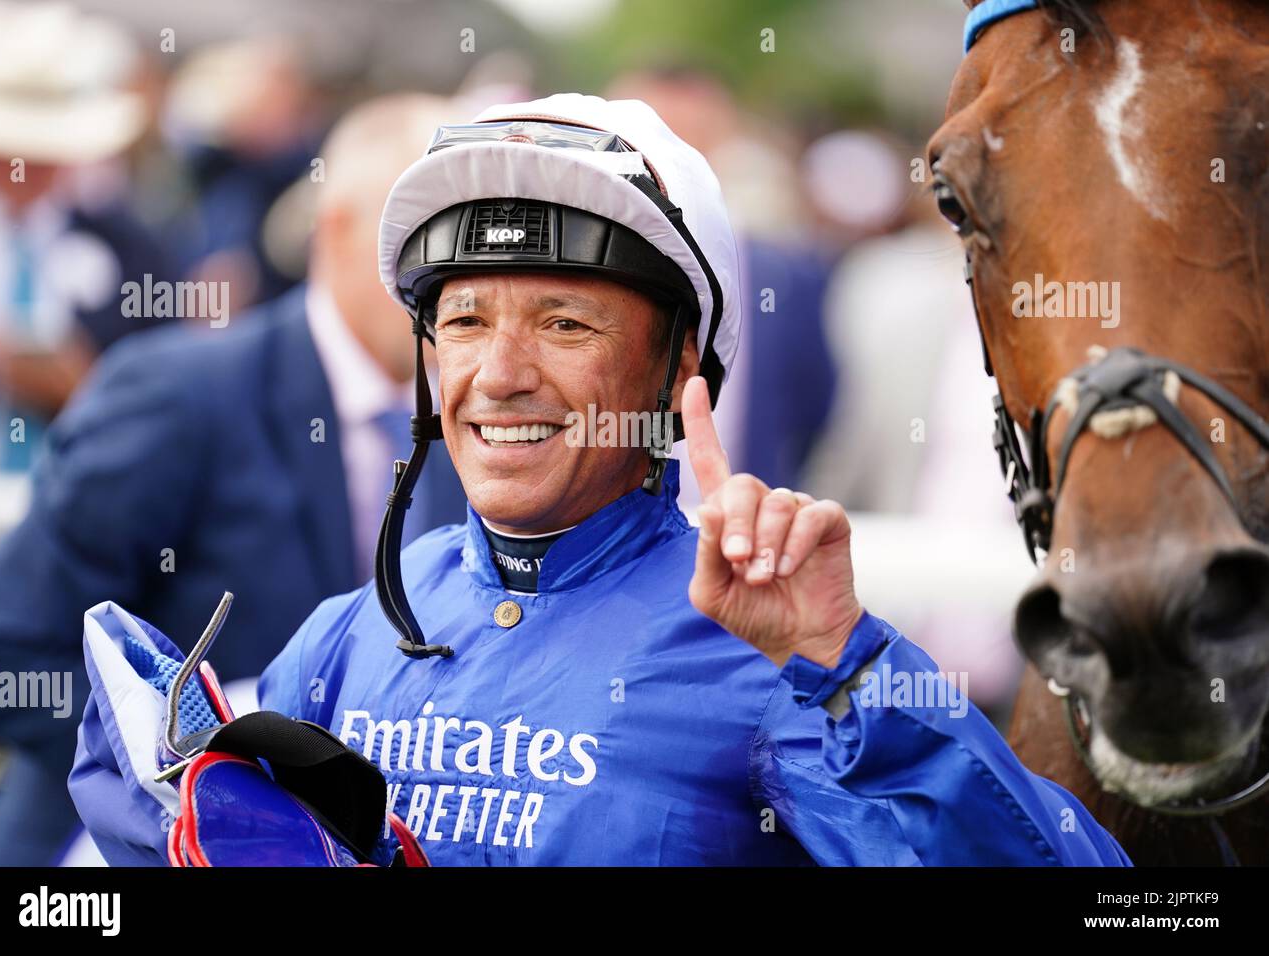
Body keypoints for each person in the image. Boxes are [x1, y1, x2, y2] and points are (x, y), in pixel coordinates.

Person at [70, 92, 1130, 866]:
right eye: (465, 320)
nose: (499, 375)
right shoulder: (345, 636)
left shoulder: (772, 650)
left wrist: (847, 668)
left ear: (680, 369)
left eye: (564, 324)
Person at [0, 94, 467, 866]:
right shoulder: (179, 393)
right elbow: (0, 651)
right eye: (424, 243)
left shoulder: (469, 434)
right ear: (335, 230)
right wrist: (208, 756)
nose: (454, 283)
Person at [0, 1, 175, 472]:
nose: (21, 167)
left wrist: (84, 386)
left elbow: (162, 395)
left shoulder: (132, 248)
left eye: (40, 151)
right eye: (3, 150)